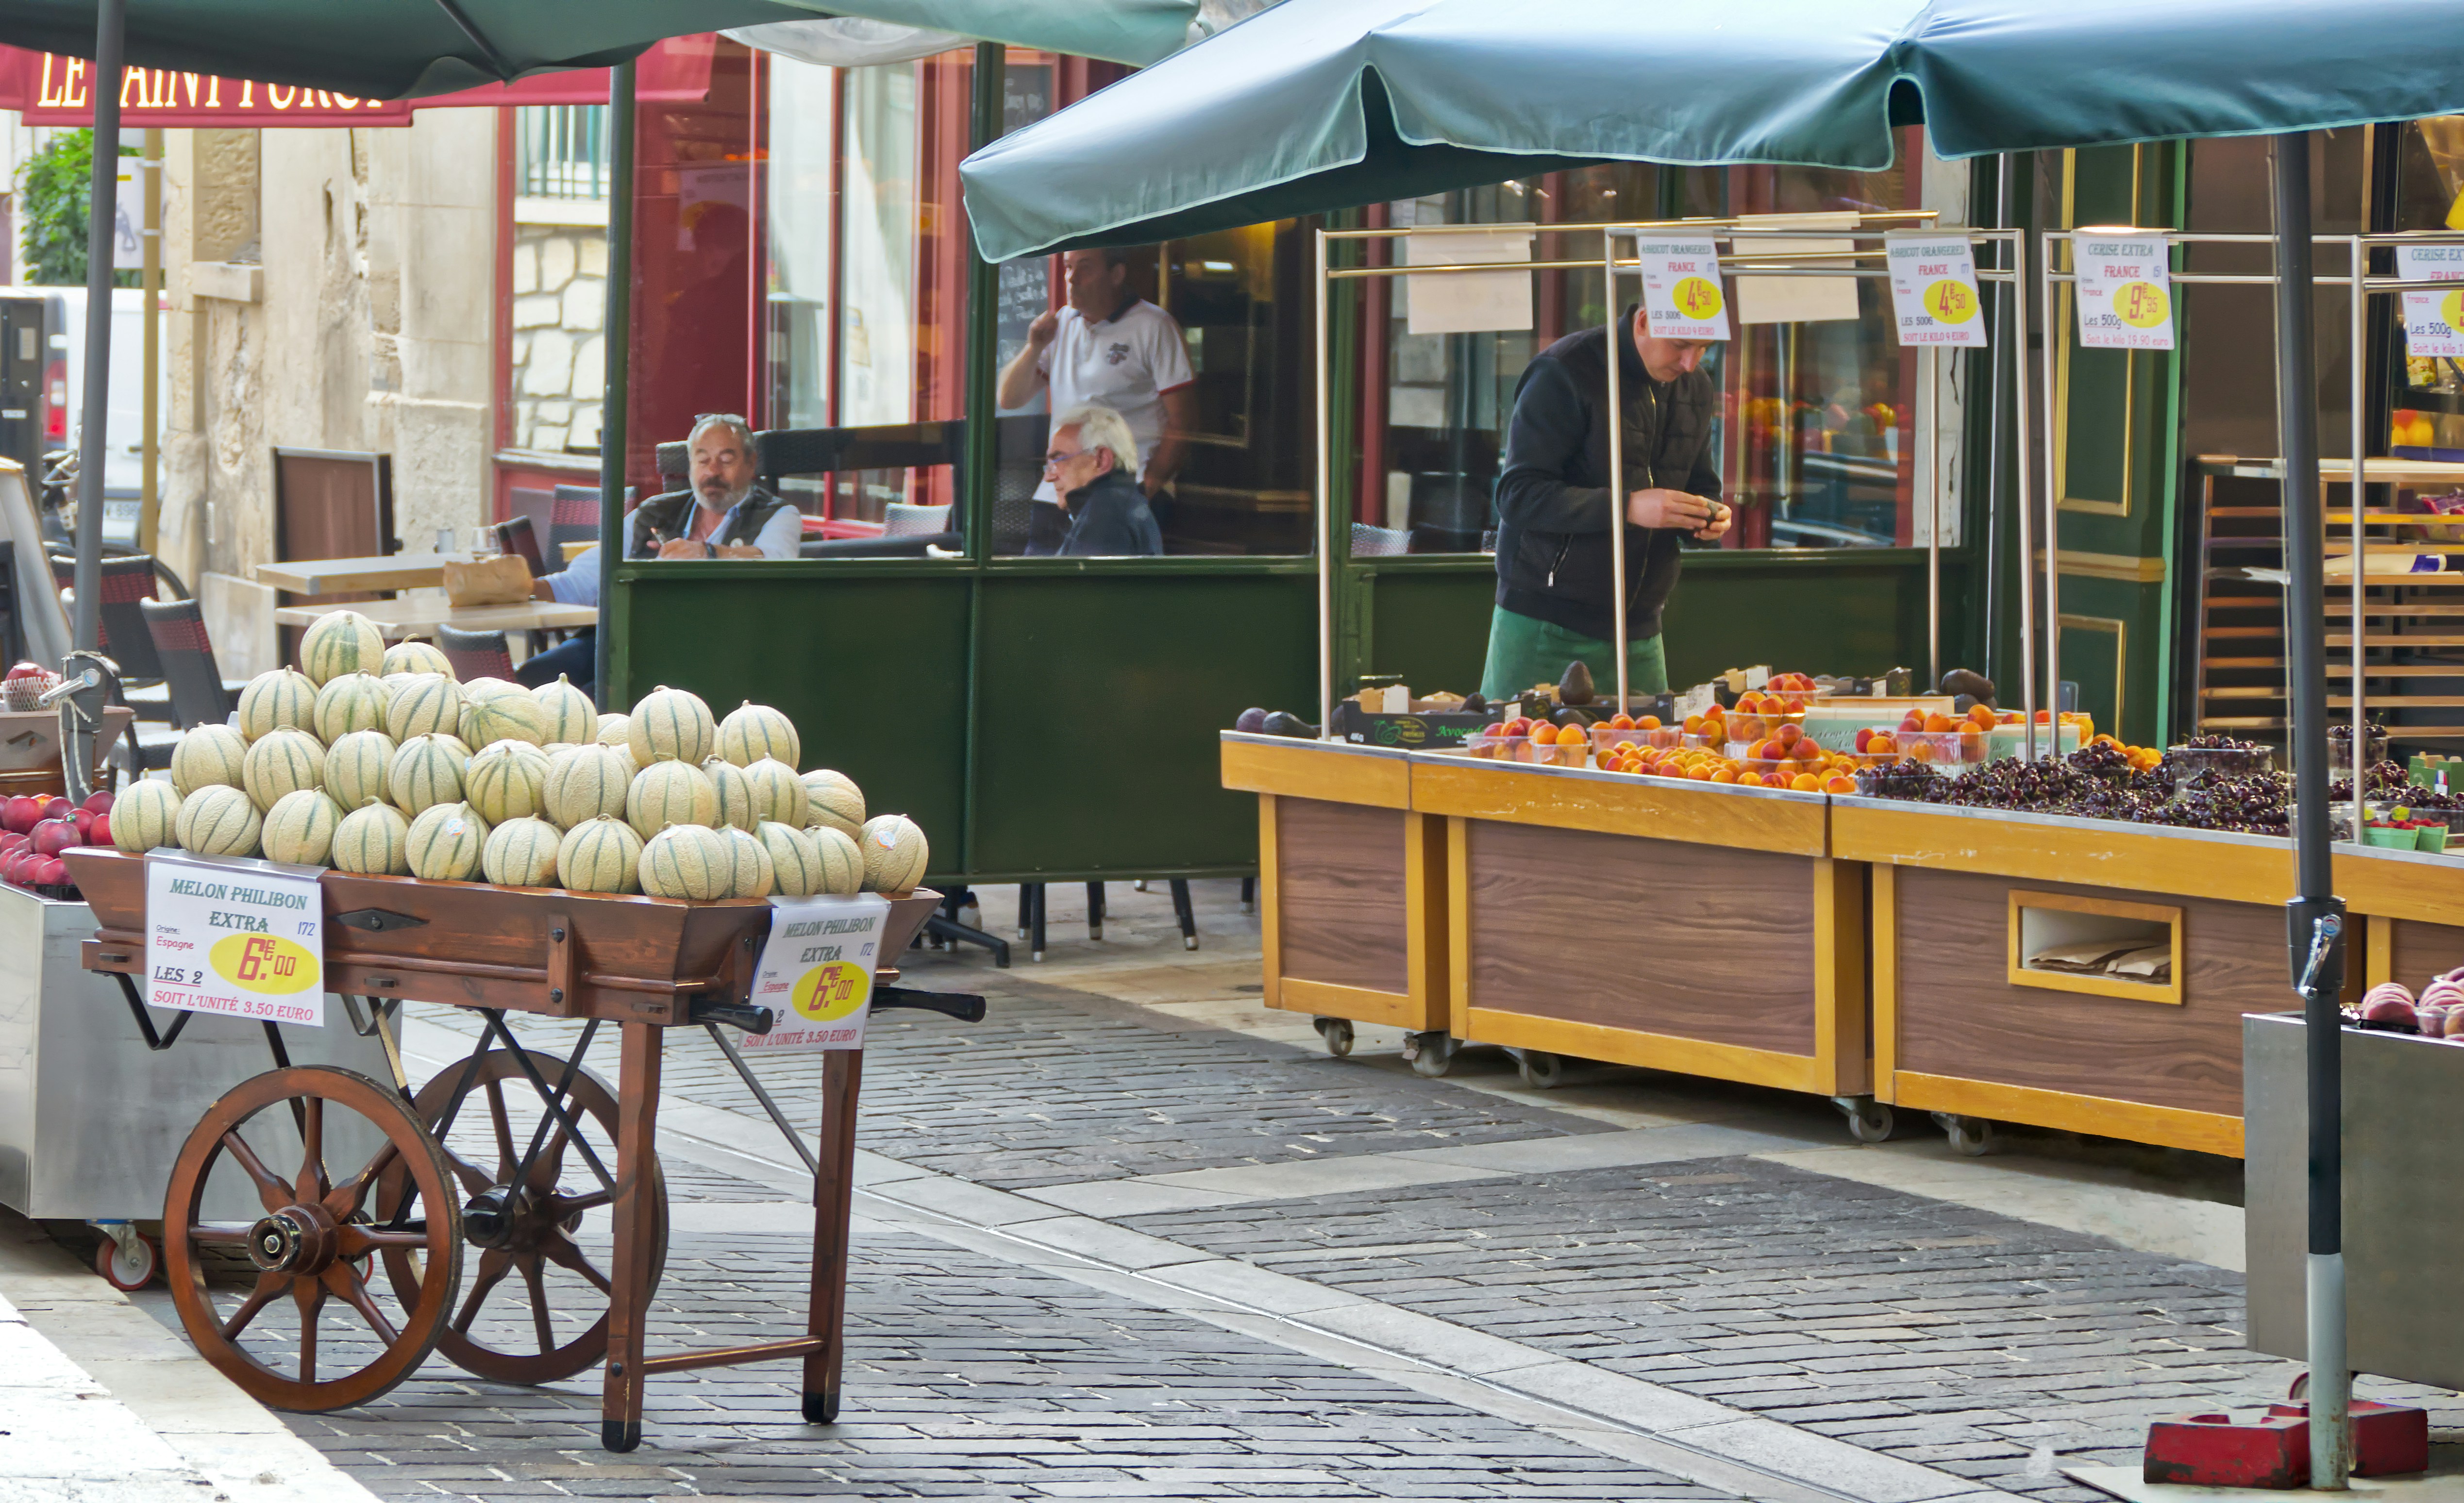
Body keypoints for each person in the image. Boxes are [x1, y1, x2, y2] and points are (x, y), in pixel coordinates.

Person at [1480, 305, 1732, 702]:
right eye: (1680, 345)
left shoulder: (1694, 386)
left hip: (1642, 629)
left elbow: (1701, 484)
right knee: (1523, 756)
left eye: (1704, 348)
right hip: (1546, 622)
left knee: (1645, 760)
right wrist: (1629, 508)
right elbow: (1518, 496)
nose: (1689, 363)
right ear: (1644, 320)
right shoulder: (1563, 370)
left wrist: (1705, 518)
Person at [514, 414, 799, 693]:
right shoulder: (653, 512)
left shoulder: (779, 515)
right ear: (690, 466)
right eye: (702, 460)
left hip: (704, 652)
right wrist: (522, 589)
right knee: (533, 678)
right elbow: (588, 578)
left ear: (751, 464)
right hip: (624, 638)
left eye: (726, 460)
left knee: (593, 696)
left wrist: (707, 553)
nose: (713, 471)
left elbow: (774, 562)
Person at [996, 247, 1194, 553]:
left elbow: (1183, 419)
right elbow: (1009, 398)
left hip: (1122, 493)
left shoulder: (1154, 325)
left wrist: (1150, 485)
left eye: (1085, 268)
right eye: (1068, 267)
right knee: (1035, 592)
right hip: (1057, 492)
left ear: (1116, 275)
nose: (1072, 279)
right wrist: (1034, 346)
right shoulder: (1060, 325)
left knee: (1097, 595)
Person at [1046, 404, 1162, 557]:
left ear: (1102, 459)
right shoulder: (1122, 504)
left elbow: (1085, 581)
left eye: (1059, 460)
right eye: (1049, 466)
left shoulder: (1105, 513)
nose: (1049, 477)